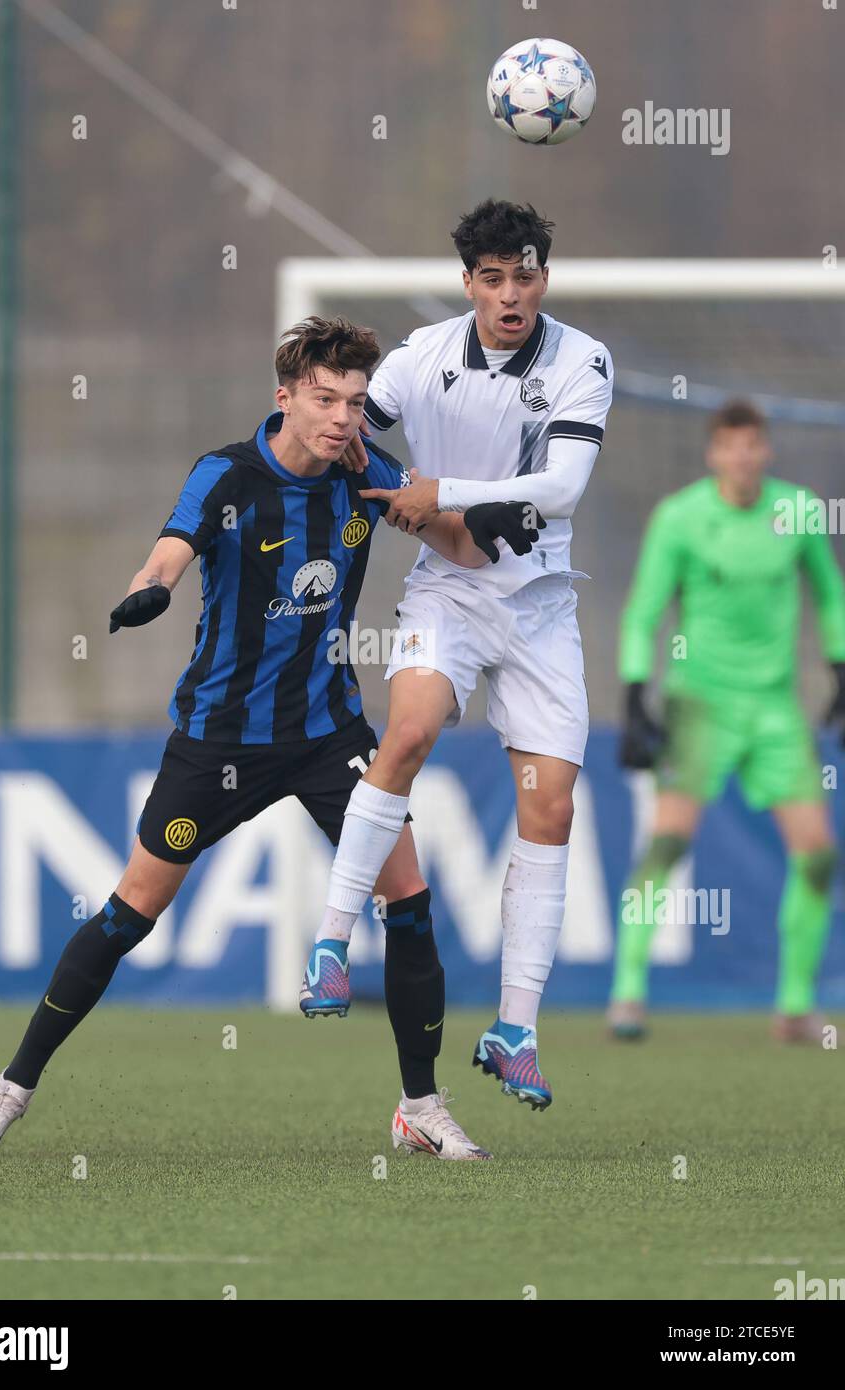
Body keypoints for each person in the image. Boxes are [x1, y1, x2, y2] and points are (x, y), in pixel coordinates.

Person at [0, 317, 533, 1164]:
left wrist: (492, 515)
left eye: (356, 402)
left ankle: (421, 1107)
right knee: (129, 911)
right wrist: (148, 592)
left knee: (407, 902)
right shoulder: (226, 475)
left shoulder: (370, 473)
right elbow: (168, 553)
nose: (341, 418)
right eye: (324, 399)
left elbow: (461, 547)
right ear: (285, 396)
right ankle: (11, 1088)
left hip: (330, 734)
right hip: (218, 742)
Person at [300, 199, 614, 1113]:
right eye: (492, 278)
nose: (510, 295)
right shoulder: (419, 358)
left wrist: (441, 491)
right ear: (468, 282)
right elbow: (354, 426)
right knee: (407, 734)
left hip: (544, 605)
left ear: (544, 278)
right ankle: (331, 939)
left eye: (525, 275)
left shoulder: (581, 359)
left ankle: (515, 1026)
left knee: (549, 805)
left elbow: (560, 487)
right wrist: (360, 470)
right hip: (449, 593)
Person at [610, 399, 845, 1041]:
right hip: (700, 705)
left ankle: (795, 1007)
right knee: (667, 844)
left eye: (752, 445)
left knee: (819, 856)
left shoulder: (796, 511)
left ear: (764, 450)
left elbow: (830, 595)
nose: (742, 458)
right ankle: (628, 993)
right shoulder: (681, 518)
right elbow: (643, 613)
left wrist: (840, 668)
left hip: (775, 708)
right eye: (730, 446)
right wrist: (635, 696)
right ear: (715, 453)